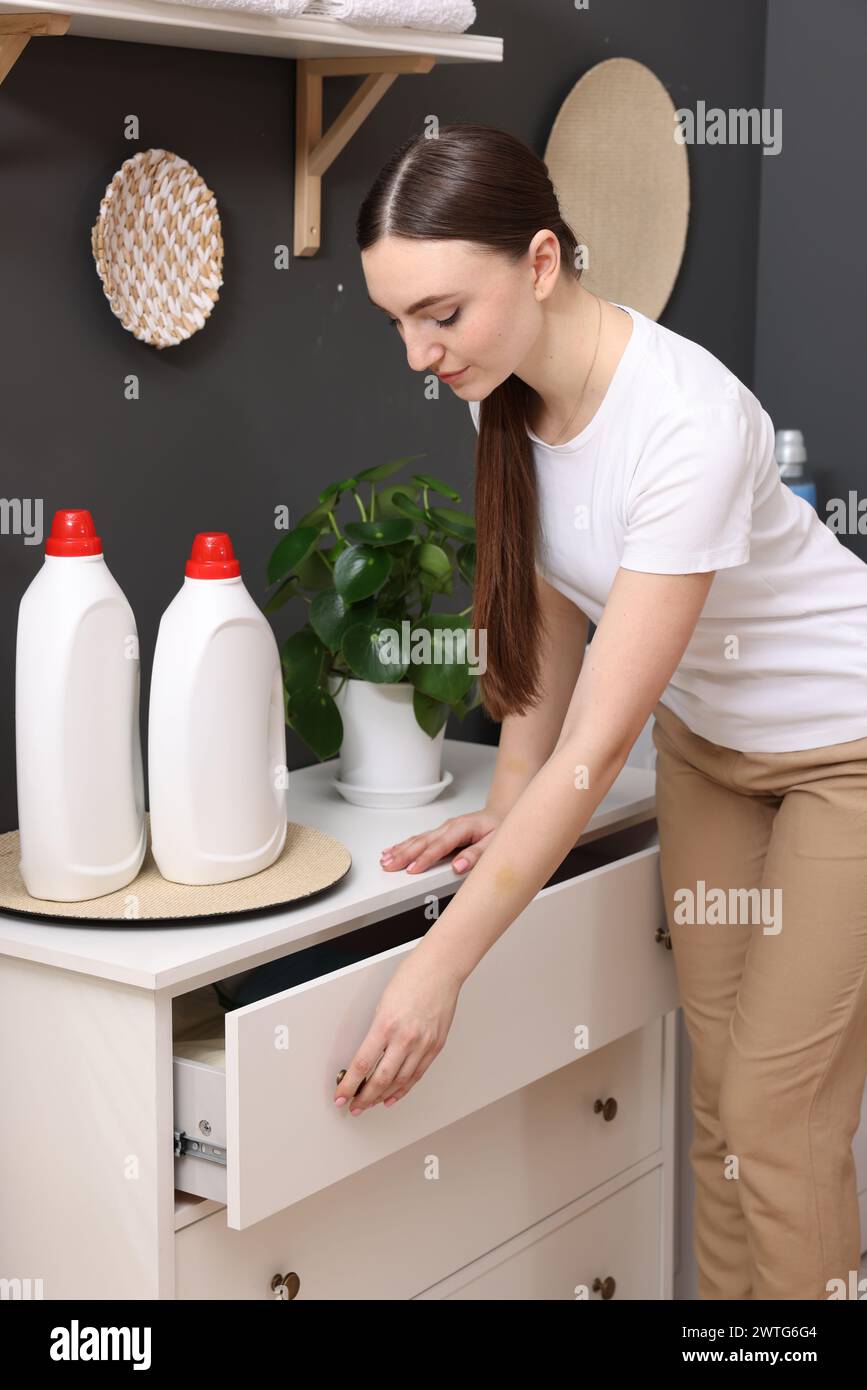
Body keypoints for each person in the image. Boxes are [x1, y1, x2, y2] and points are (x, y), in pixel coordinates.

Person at [331, 122, 867, 1301]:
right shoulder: (501, 393)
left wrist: (441, 964)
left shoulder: (684, 421)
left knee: (778, 1118)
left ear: (536, 261)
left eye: (440, 313)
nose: (420, 353)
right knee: (723, 1095)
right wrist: (507, 797)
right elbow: (551, 608)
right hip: (714, 751)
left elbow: (596, 750)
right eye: (399, 324)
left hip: (846, 752)